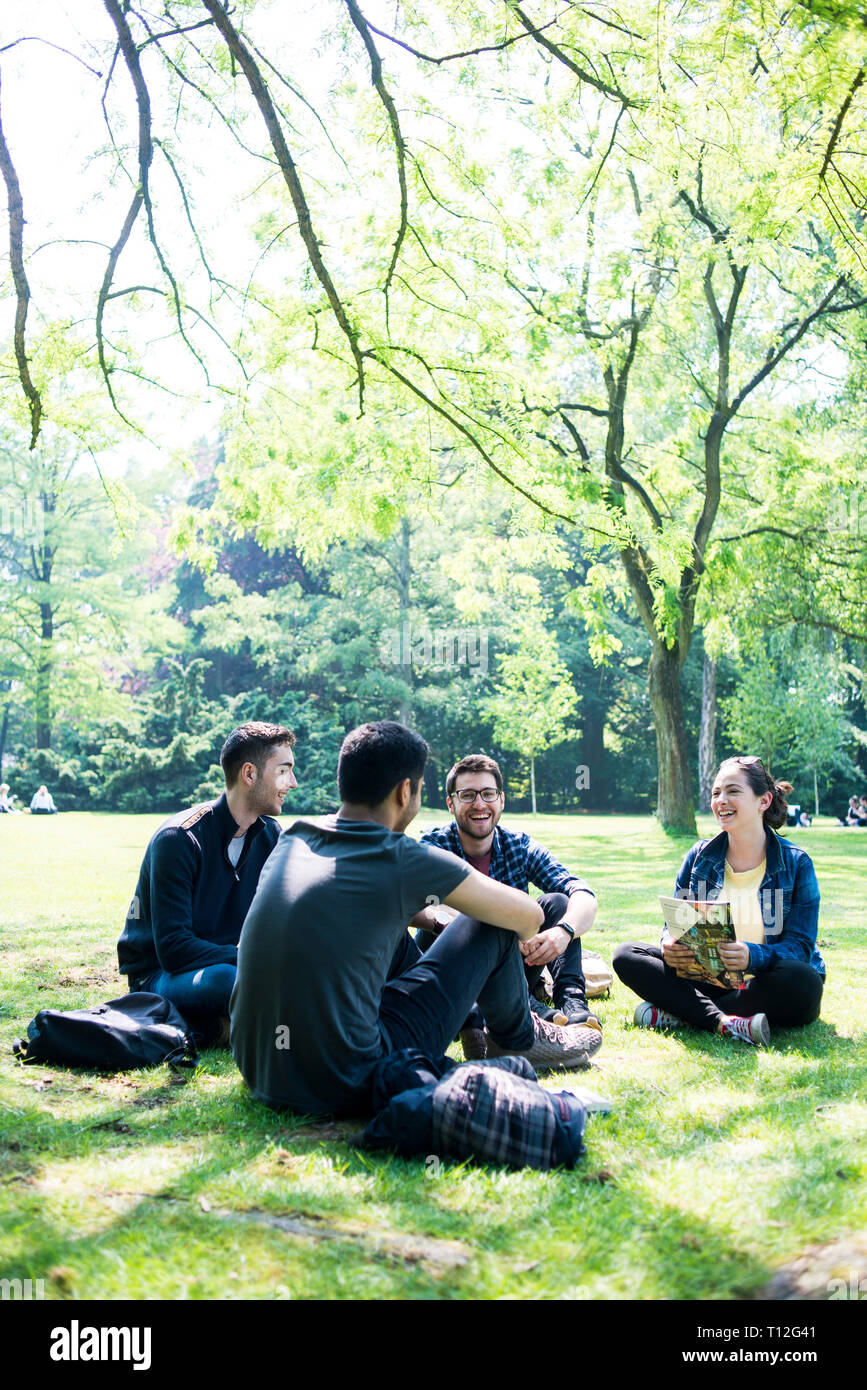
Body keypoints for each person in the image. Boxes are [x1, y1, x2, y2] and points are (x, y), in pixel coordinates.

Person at [230, 721, 602, 1116]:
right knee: (494, 921)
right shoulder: (402, 856)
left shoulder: (296, 837)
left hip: (259, 1068)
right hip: (348, 1077)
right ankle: (519, 1038)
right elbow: (526, 916)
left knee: (387, 929)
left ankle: (476, 1021)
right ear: (406, 790)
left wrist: (439, 922)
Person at [613, 756, 825, 1047]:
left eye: (733, 791)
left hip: (764, 983)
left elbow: (800, 948)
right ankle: (723, 1022)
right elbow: (675, 924)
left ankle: (684, 1012)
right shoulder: (699, 857)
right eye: (715, 793)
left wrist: (752, 955)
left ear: (763, 801)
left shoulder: (796, 863)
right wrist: (669, 944)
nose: (720, 801)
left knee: (803, 980)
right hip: (708, 979)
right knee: (627, 954)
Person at [117, 722, 297, 1045]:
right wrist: (248, 958)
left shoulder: (271, 836)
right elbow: (172, 949)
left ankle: (218, 1027)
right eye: (284, 771)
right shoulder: (179, 839)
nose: (293, 783)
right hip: (159, 974)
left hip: (223, 963)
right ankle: (222, 1027)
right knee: (228, 980)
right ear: (249, 774)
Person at [413, 753, 601, 1059]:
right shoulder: (433, 846)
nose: (479, 804)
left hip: (514, 962)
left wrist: (562, 932)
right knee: (457, 923)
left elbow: (582, 893)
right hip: (456, 968)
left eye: (488, 794)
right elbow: (402, 902)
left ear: (501, 800)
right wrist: (441, 918)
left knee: (558, 903)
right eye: (468, 795)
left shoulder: (518, 845)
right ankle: (517, 1011)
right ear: (451, 804)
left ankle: (572, 1003)